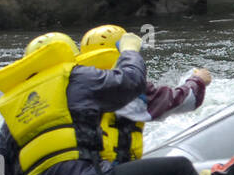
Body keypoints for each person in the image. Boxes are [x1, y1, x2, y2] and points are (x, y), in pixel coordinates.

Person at [0, 30, 204, 175]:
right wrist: (130, 52)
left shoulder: (12, 114)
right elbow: (131, 82)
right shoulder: (77, 78)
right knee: (180, 168)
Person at [77, 24, 213, 163]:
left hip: (81, 169)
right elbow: (185, 100)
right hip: (112, 171)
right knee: (181, 166)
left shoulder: (75, 83)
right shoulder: (125, 87)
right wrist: (198, 80)